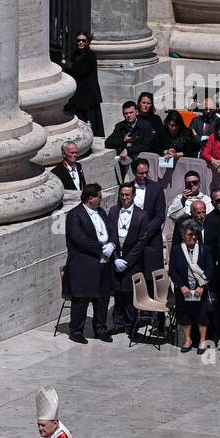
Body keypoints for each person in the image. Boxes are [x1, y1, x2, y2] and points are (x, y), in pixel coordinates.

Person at [64, 184, 115, 345]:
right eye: (99, 196)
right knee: (82, 299)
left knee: (103, 299)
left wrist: (112, 243)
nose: (101, 199)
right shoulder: (75, 215)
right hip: (84, 264)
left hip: (104, 263)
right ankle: (76, 331)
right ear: (90, 198)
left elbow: (111, 229)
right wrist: (101, 248)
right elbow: (79, 239)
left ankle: (100, 329)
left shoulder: (101, 212)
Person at [106, 183, 150, 335]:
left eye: (127, 195)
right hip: (116, 259)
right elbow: (109, 235)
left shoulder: (142, 215)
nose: (124, 198)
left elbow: (142, 241)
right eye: (122, 195)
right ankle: (118, 323)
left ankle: (131, 325)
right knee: (118, 294)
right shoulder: (113, 211)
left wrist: (127, 261)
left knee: (130, 294)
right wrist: (115, 258)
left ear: (133, 196)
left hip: (132, 262)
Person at [169, 219, 213, 353]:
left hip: (200, 289)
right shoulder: (176, 250)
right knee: (184, 315)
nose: (193, 237)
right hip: (184, 290)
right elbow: (173, 270)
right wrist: (182, 286)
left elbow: (209, 269)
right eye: (190, 234)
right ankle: (188, 340)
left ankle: (202, 341)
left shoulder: (204, 249)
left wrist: (202, 286)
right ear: (183, 236)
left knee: (202, 315)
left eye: (195, 234)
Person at [63, 30, 102, 136]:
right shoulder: (75, 54)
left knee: (90, 124)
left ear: (87, 42)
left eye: (83, 40)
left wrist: (67, 64)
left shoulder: (90, 56)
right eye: (78, 40)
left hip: (88, 97)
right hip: (77, 96)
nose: (81, 42)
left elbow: (81, 70)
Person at [104, 100, 155, 177]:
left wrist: (128, 150)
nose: (129, 115)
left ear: (136, 112)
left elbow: (146, 145)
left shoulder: (145, 126)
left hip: (141, 162)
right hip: (124, 163)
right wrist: (123, 140)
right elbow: (108, 143)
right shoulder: (120, 126)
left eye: (131, 112)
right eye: (126, 113)